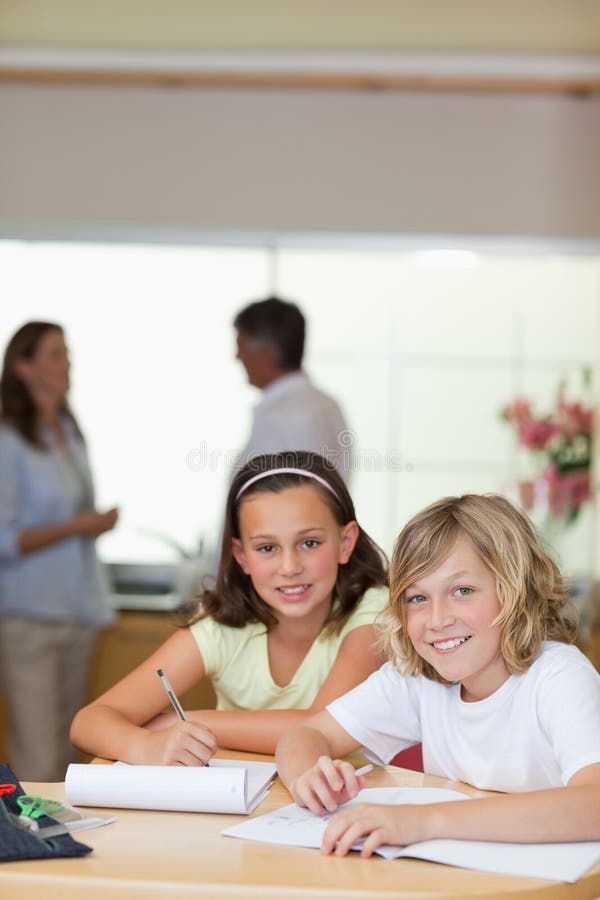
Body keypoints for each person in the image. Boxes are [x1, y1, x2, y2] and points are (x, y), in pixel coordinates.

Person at [275, 493, 600, 856]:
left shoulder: (560, 678)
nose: (437, 620)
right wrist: (310, 776)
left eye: (462, 591)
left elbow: (594, 804)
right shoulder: (418, 679)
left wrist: (425, 821)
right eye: (417, 598)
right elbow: (305, 734)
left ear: (515, 591)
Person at [70, 451, 388, 763]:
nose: (289, 566)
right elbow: (88, 722)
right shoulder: (220, 629)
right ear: (242, 556)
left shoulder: (374, 615)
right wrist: (144, 746)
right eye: (267, 548)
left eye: (309, 543)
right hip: (238, 809)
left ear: (345, 543)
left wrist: (181, 724)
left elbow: (322, 728)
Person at [0, 321, 119, 781]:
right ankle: (28, 846)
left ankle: (65, 842)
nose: (66, 363)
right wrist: (78, 525)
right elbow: (4, 538)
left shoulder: (67, 428)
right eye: (54, 354)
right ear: (23, 367)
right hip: (29, 619)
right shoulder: (8, 439)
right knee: (38, 753)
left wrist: (92, 526)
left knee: (73, 749)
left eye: (66, 353)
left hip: (78, 612)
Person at [234, 297, 351, 481]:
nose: (238, 356)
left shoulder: (280, 418)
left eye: (241, 348)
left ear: (267, 355)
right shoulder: (329, 406)